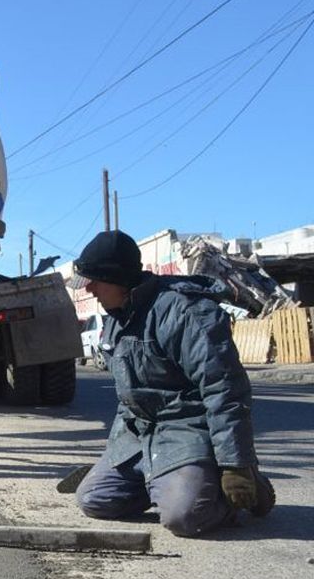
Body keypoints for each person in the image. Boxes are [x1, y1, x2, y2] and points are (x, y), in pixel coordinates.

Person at [71, 230, 275, 537]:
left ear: (117, 279)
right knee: (94, 499)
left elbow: (224, 389)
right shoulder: (116, 319)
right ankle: (168, 485)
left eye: (95, 281)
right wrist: (113, 453)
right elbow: (129, 399)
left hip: (188, 432)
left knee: (184, 518)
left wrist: (236, 463)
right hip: (141, 436)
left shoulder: (185, 312)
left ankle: (241, 488)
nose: (89, 289)